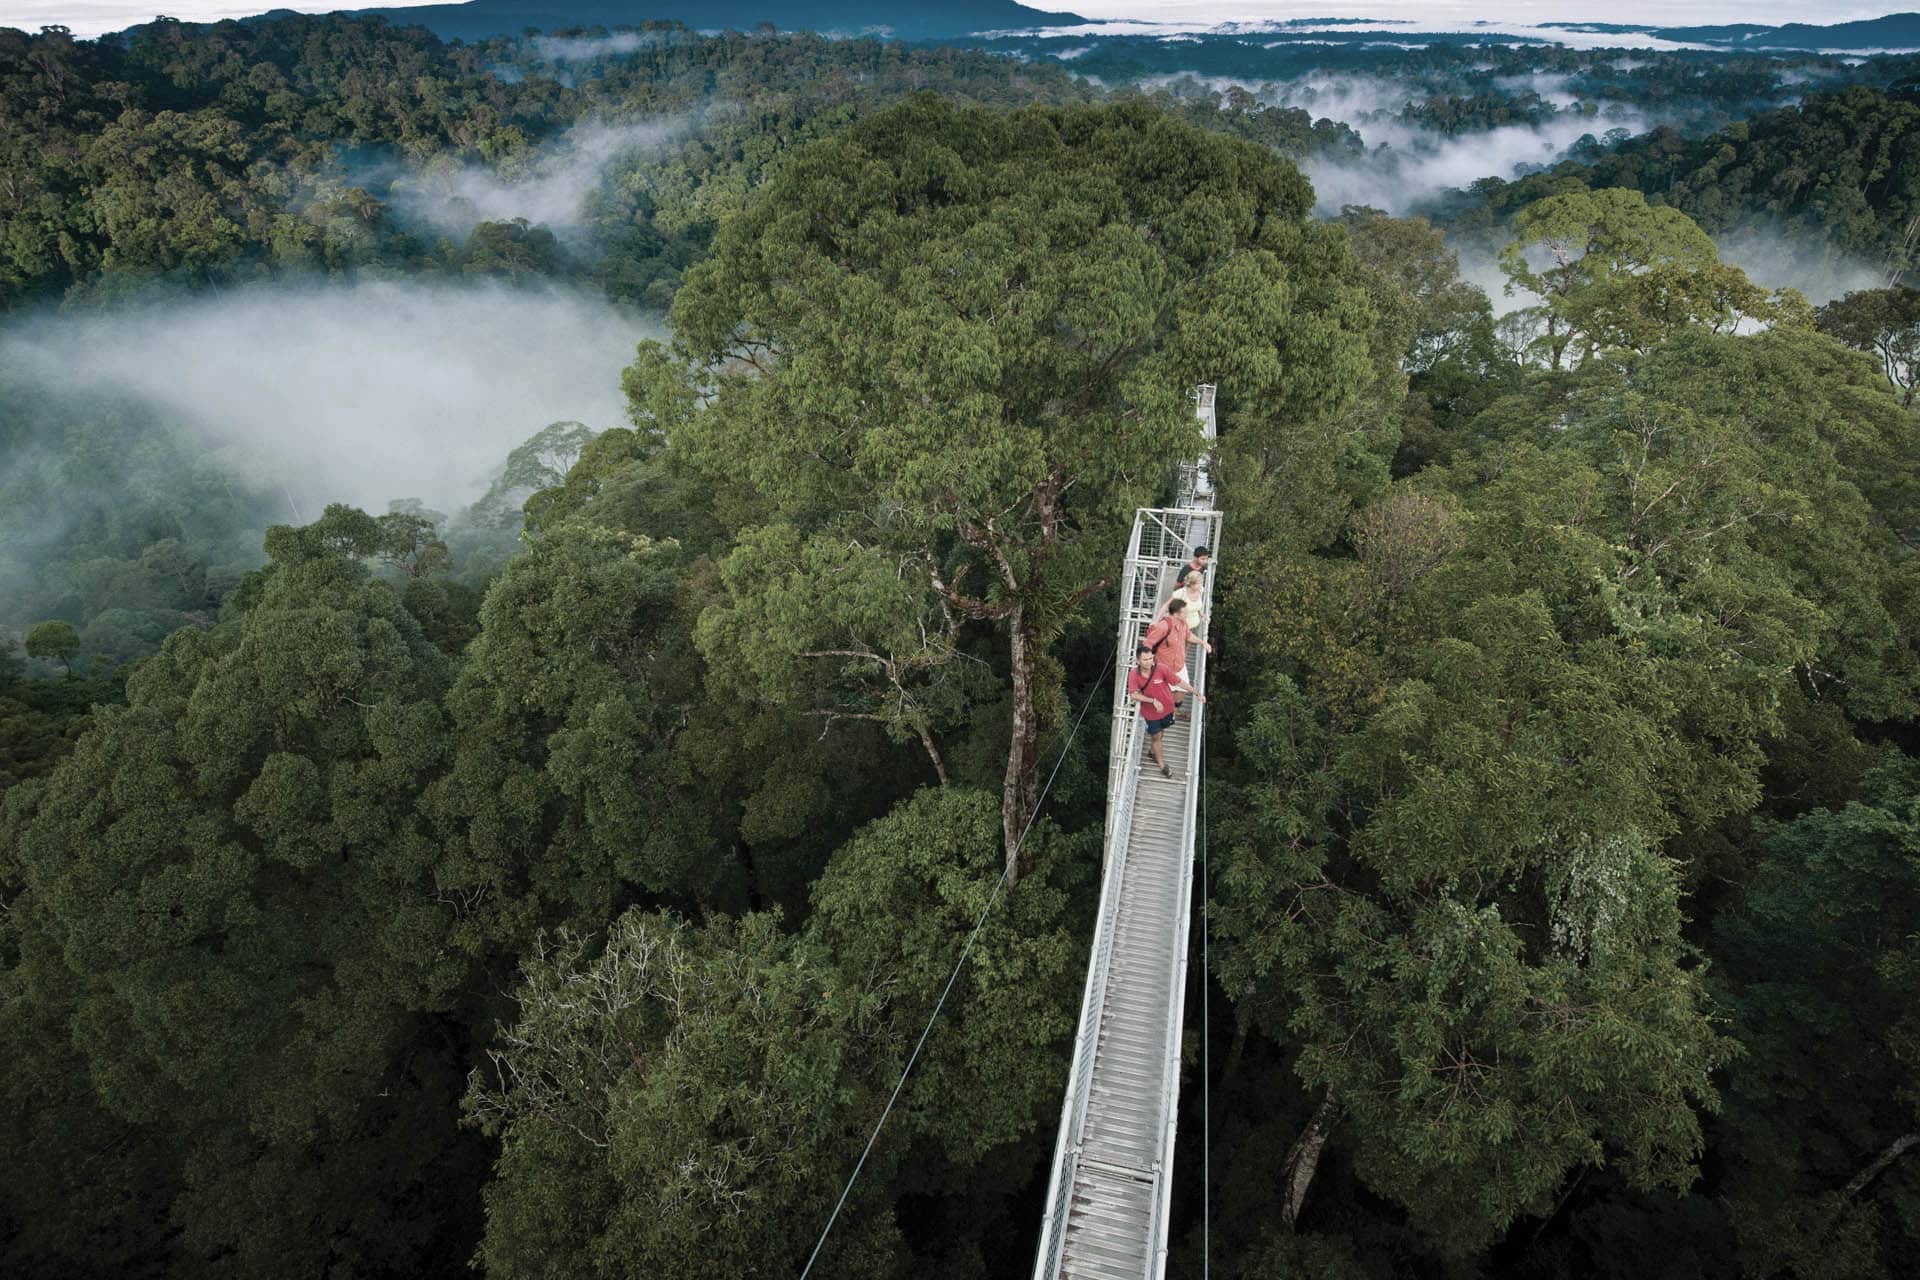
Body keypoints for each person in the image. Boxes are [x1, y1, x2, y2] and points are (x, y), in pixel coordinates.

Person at [1126, 645, 1202, 777]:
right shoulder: (1134, 674)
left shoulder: (1161, 669)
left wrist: (1196, 692)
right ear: (1138, 661)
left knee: (1160, 734)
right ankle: (1162, 765)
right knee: (1156, 737)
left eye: (1150, 658)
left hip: (1167, 709)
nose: (1149, 662)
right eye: (1145, 659)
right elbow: (1134, 695)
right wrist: (1152, 701)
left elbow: (1178, 682)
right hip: (1151, 714)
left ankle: (1152, 751)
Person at [1142, 598, 1209, 717]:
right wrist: (1146, 662)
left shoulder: (1183, 624)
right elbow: (1148, 643)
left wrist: (1203, 642)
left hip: (1179, 666)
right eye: (1185, 612)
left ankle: (1173, 709)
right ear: (1176, 614)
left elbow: (1189, 636)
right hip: (1163, 668)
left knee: (1181, 692)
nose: (1187, 614)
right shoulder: (1163, 626)